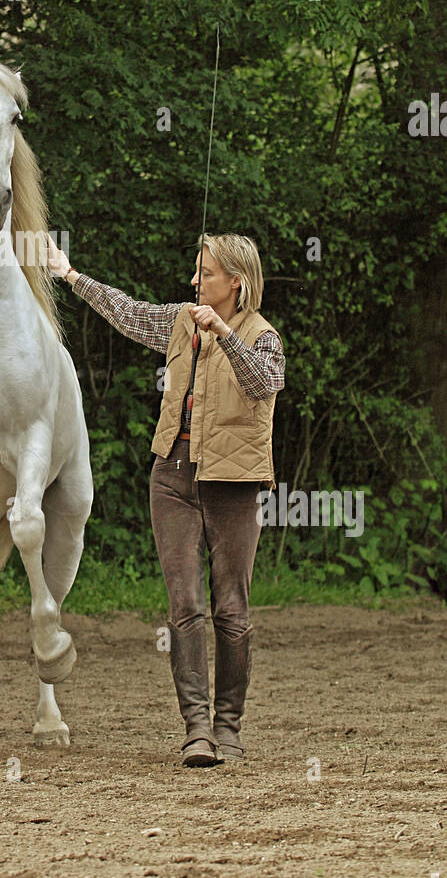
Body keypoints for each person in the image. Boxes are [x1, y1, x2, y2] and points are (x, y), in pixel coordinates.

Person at [45, 232, 285, 767]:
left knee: (233, 610)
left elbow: (264, 383)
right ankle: (197, 731)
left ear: (236, 283)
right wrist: (70, 275)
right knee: (185, 607)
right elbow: (128, 312)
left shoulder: (262, 336)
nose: (194, 281)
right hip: (172, 478)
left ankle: (228, 728)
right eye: (196, 271)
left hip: (234, 486)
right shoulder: (181, 319)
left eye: (206, 273)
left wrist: (222, 333)